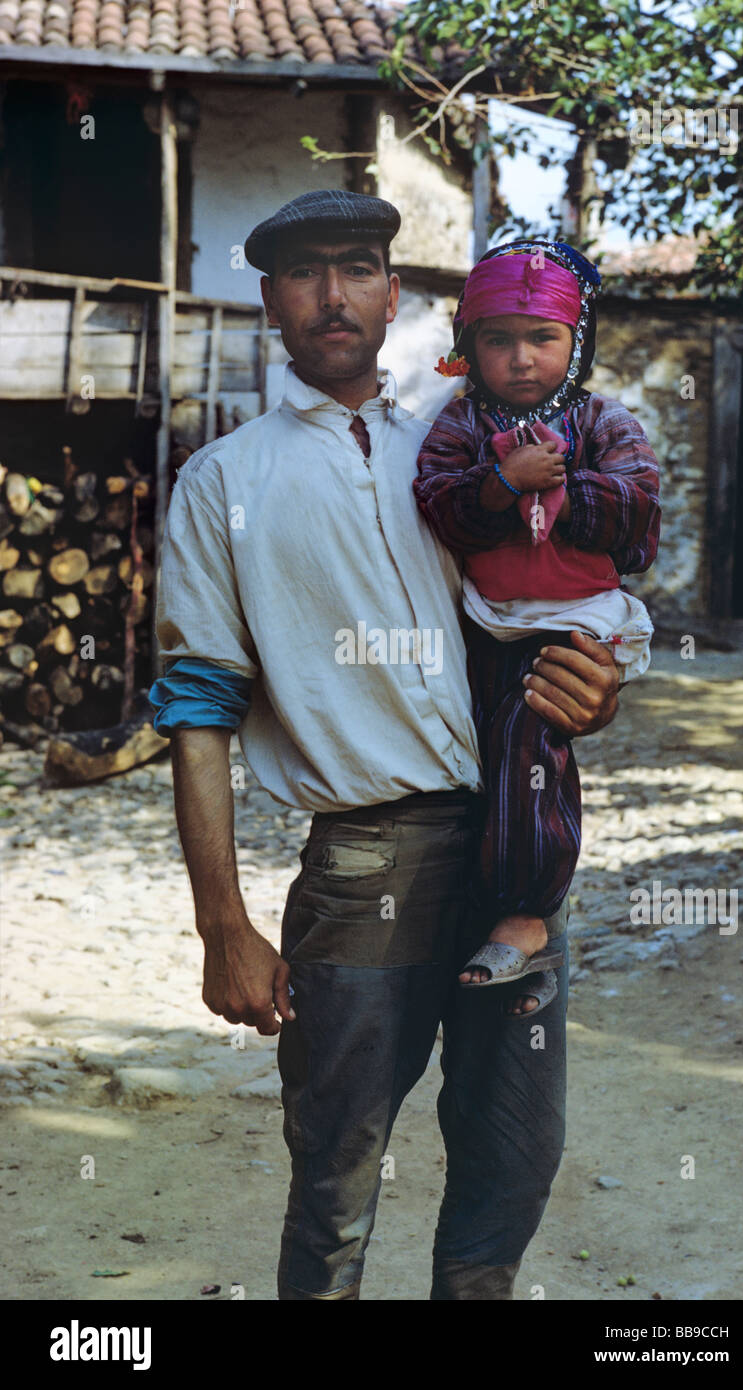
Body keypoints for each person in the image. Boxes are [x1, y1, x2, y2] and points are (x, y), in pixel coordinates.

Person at [148, 190, 620, 1301]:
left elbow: (545, 617)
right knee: (335, 1177)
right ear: (268, 299)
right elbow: (199, 710)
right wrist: (223, 924)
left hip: (512, 849)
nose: (331, 294)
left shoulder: (463, 453)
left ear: (391, 291)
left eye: (355, 267)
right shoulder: (225, 483)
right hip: (366, 864)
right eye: (303, 273)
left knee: (511, 1156)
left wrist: (590, 692)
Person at [414, 241, 660, 992]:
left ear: (575, 342)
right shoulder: (459, 426)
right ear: (469, 346)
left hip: (577, 619)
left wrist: (562, 485)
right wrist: (496, 483)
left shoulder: (601, 420)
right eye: (497, 339)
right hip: (488, 618)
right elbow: (437, 501)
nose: (520, 358)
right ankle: (487, 920)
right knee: (482, 745)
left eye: (542, 337)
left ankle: (526, 910)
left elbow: (639, 511)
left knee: (529, 736)